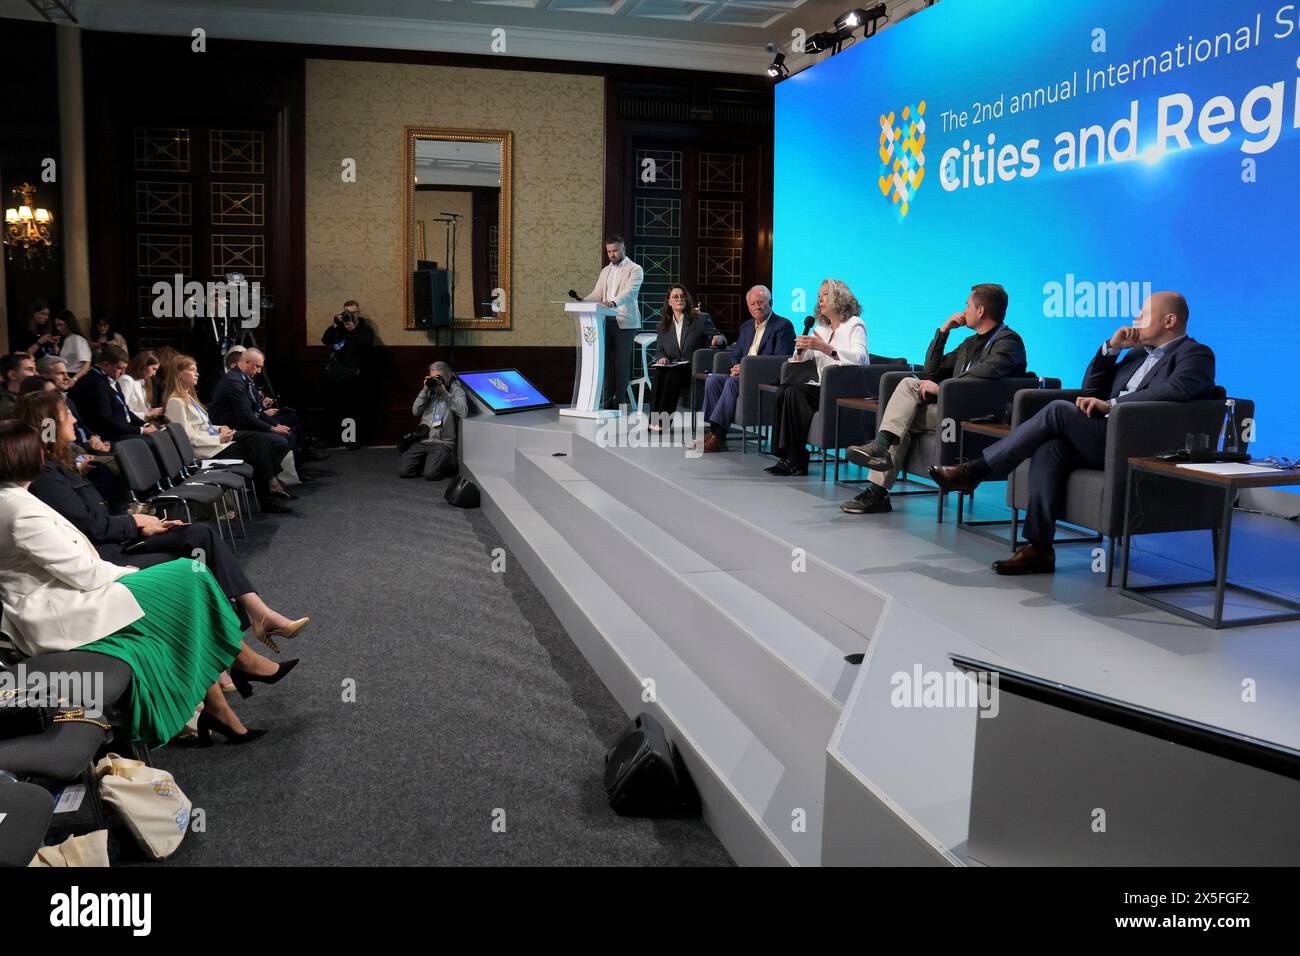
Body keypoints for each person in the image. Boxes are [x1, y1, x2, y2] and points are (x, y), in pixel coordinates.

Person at [0, 420, 282, 747]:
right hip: (60, 608)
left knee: (189, 583)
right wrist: (130, 573)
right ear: (25, 455)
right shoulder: (20, 510)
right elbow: (84, 572)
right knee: (190, 577)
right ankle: (240, 662)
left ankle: (225, 699)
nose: (74, 422)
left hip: (66, 594)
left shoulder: (13, 499)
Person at [930, 291, 1215, 575]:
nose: (1136, 319)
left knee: (1057, 410)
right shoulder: (1136, 354)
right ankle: (1039, 549)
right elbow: (1090, 389)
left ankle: (975, 470)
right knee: (1050, 449)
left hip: (1137, 441)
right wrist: (1112, 349)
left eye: (1144, 314)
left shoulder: (1196, 354)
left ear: (1170, 320)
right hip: (1106, 435)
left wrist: (1113, 404)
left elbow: (1176, 391)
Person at [19, 390, 309, 656]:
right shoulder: (46, 476)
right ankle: (234, 649)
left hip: (118, 536)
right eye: (65, 413)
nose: (73, 417)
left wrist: (140, 522)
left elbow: (97, 519)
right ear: (49, 423)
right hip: (107, 555)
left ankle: (257, 615)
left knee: (200, 533)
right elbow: (92, 528)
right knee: (191, 565)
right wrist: (137, 523)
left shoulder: (59, 466)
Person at [840, 284, 1027, 515]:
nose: (964, 310)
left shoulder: (1009, 343)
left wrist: (940, 389)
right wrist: (943, 331)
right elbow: (931, 371)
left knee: (901, 416)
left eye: (967, 305)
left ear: (980, 311)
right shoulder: (970, 343)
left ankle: (879, 463)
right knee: (907, 394)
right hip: (950, 407)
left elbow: (983, 376)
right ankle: (880, 460)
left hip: (976, 416)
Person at [163, 354, 295, 513]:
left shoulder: (188, 398)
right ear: (179, 374)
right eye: (192, 370)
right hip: (204, 451)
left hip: (214, 442)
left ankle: (271, 488)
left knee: (257, 442)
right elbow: (185, 438)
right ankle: (271, 487)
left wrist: (219, 428)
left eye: (196, 370)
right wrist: (218, 437)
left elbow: (203, 426)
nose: (197, 374)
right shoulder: (175, 402)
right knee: (256, 448)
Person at [765, 279, 869, 477]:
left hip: (846, 387)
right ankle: (786, 455)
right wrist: (801, 349)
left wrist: (825, 348)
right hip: (824, 386)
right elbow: (802, 359)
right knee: (783, 390)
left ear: (840, 297)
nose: (820, 299)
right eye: (819, 296)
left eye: (825, 295)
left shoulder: (855, 325)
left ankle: (797, 460)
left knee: (796, 393)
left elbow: (860, 358)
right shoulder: (821, 328)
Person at [697, 285, 795, 453]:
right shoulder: (747, 326)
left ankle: (718, 437)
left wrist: (747, 369)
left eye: (761, 302)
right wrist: (737, 366)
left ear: (770, 302)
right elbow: (735, 354)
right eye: (752, 304)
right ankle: (713, 431)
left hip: (763, 377)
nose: (757, 307)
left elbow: (780, 359)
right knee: (713, 380)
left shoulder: (782, 325)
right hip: (743, 374)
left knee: (732, 383)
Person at [208, 348, 299, 481]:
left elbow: (258, 411)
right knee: (280, 441)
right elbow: (246, 417)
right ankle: (266, 480)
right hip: (233, 430)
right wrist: (273, 429)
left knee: (289, 435)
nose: (259, 371)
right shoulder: (234, 382)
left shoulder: (245, 379)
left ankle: (268, 479)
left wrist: (277, 425)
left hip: (244, 425)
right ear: (246, 362)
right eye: (257, 366)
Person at [647, 286, 723, 428]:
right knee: (659, 373)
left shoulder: (701, 319)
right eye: (675, 297)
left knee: (672, 374)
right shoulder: (663, 326)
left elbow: (718, 337)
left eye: (682, 296)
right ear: (669, 302)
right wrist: (662, 358)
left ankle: (663, 422)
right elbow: (660, 351)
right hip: (674, 367)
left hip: (694, 367)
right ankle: (655, 420)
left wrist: (718, 339)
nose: (679, 299)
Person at [584, 235, 644, 409]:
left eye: (615, 250)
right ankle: (608, 399)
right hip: (606, 321)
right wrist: (583, 302)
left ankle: (619, 401)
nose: (612, 254)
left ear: (623, 249)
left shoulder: (635, 269)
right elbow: (597, 293)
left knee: (621, 362)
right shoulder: (606, 271)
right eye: (609, 251)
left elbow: (630, 291)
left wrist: (613, 302)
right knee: (607, 363)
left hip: (625, 322)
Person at [68, 346, 158, 442]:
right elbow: (106, 420)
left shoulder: (110, 379)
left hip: (124, 430)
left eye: (124, 369)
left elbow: (125, 410)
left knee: (158, 436)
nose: (123, 373)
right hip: (110, 436)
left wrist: (145, 425)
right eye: (120, 368)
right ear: (107, 365)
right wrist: (141, 430)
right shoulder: (95, 383)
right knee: (152, 442)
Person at [400, 362, 468, 481]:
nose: (435, 381)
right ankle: (430, 461)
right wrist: (425, 390)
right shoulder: (430, 390)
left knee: (430, 475)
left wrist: (444, 393)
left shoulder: (456, 391)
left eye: (438, 378)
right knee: (404, 472)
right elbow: (415, 411)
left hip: (442, 443)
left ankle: (438, 462)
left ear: (447, 377)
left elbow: (463, 412)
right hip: (423, 439)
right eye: (433, 377)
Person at [321, 300, 375, 449]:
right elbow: (326, 340)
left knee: (351, 409)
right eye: (346, 312)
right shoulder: (339, 328)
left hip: (354, 377)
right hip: (336, 376)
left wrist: (353, 331)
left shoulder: (365, 330)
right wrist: (335, 325)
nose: (349, 315)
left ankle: (349, 439)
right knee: (334, 408)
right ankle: (332, 439)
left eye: (353, 312)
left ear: (358, 312)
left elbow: (366, 346)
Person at [118, 350, 163, 421]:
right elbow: (123, 411)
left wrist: (152, 412)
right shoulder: (126, 380)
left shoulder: (142, 381)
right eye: (153, 369)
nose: (154, 373)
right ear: (143, 365)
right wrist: (148, 414)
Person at [54, 311, 93, 382]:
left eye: (61, 325)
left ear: (69, 323)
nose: (58, 328)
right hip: (67, 375)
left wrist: (74, 379)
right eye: (57, 325)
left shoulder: (77, 339)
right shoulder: (67, 339)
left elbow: (86, 364)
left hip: (76, 376)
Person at [0, 353, 37, 419]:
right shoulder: (10, 408)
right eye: (30, 369)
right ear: (13, 375)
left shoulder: (29, 397)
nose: (36, 374)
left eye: (35, 370)